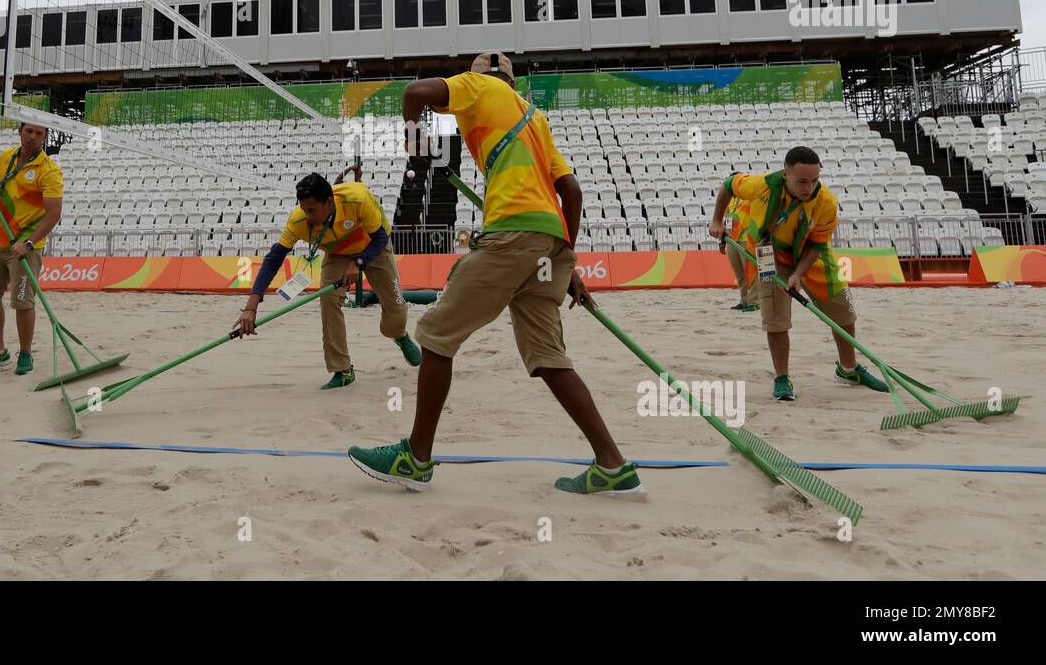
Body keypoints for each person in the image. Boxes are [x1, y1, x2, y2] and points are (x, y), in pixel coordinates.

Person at [348, 52, 642, 496]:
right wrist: (567, 258)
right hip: (549, 243)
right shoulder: (534, 117)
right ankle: (613, 465)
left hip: (512, 235)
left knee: (434, 334)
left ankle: (416, 457)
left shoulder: (478, 87)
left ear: (481, 75)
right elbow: (572, 191)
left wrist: (414, 142)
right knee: (549, 357)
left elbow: (413, 93)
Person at [709, 145, 888, 401]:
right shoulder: (761, 185)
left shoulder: (826, 202)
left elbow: (816, 243)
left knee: (843, 310)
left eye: (814, 180)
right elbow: (728, 185)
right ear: (786, 175)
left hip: (811, 255)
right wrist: (717, 220)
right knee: (775, 317)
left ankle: (848, 369)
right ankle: (782, 377)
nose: (809, 187)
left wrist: (799, 275)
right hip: (769, 253)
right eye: (802, 181)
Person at [236, 173, 421, 388]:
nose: (308, 216)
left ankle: (398, 334)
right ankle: (342, 370)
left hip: (374, 247)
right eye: (304, 210)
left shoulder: (358, 198)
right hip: (337, 253)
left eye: (312, 210)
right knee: (328, 300)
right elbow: (273, 259)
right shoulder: (298, 220)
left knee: (396, 306)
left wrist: (359, 262)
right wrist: (251, 306)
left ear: (329, 202)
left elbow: (380, 237)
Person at [0, 122, 63, 376]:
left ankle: (26, 353)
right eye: (28, 131)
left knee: (22, 301)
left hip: (26, 245)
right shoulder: (7, 156)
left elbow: (53, 215)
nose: (32, 137)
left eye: (38, 133)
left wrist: (28, 242)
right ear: (20, 132)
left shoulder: (49, 170)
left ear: (45, 137)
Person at [724, 195, 758, 312]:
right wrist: (723, 240)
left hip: (746, 239)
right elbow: (727, 219)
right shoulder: (730, 201)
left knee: (751, 272)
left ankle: (754, 302)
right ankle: (744, 300)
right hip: (732, 239)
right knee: (739, 273)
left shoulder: (749, 198)